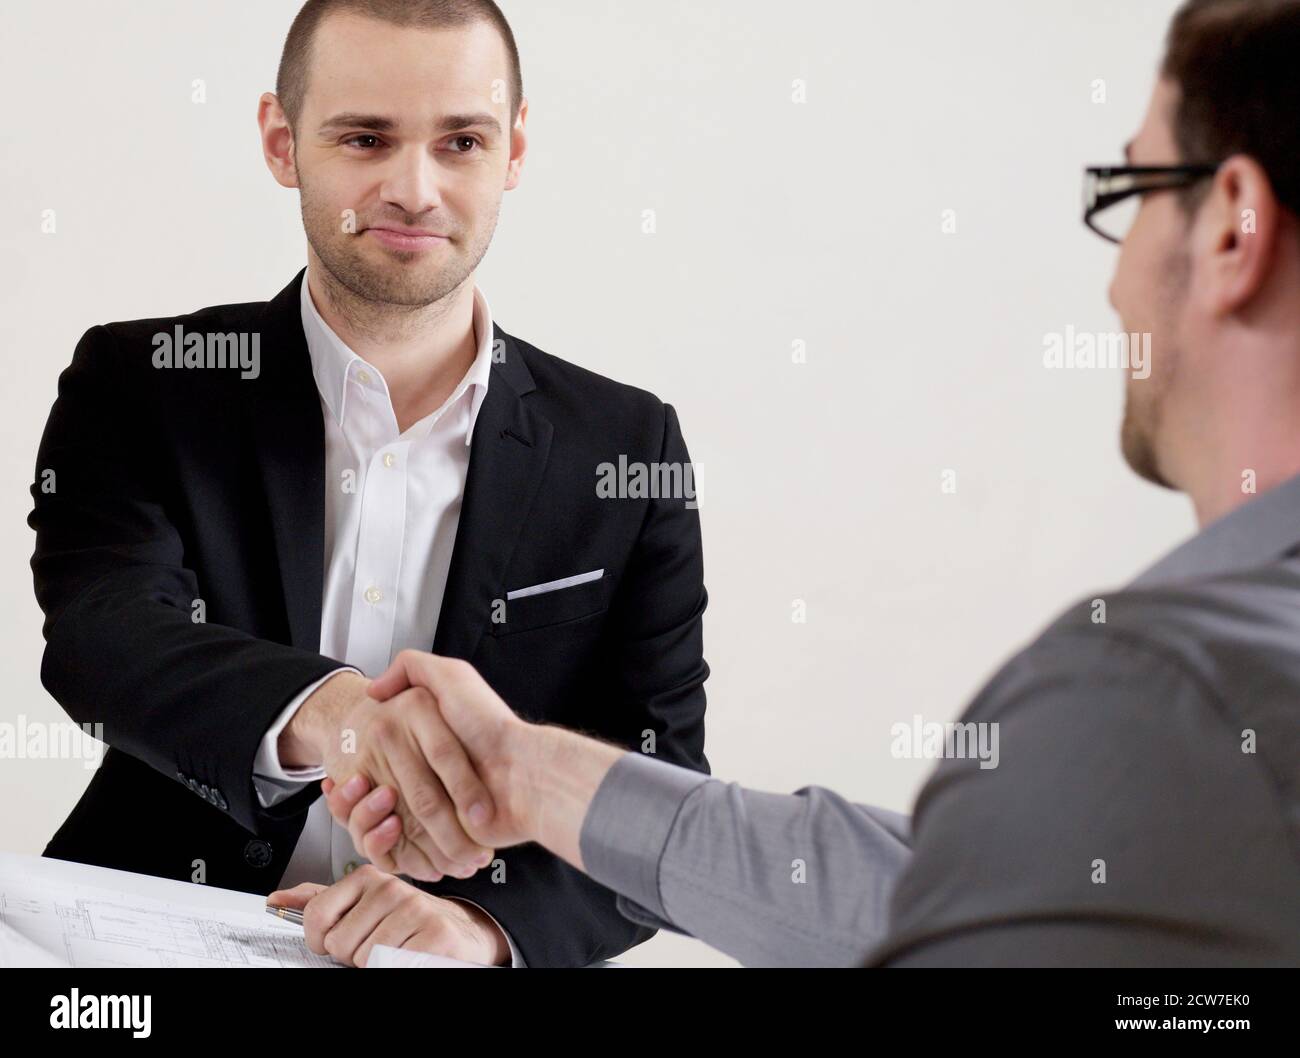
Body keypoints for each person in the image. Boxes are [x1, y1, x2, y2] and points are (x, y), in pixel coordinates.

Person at [280, 0, 1300, 967]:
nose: (1114, 281)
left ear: (1229, 230)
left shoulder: (1163, 690)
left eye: (1128, 197)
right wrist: (522, 771)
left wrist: (492, 900)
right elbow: (941, 889)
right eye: (364, 137)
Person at [29, 0, 709, 968]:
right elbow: (104, 641)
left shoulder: (628, 449)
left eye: (461, 141)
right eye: (365, 137)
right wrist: (339, 716)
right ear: (281, 139)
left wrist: (486, 928)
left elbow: (663, 799)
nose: (413, 189)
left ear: (513, 150)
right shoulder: (142, 385)